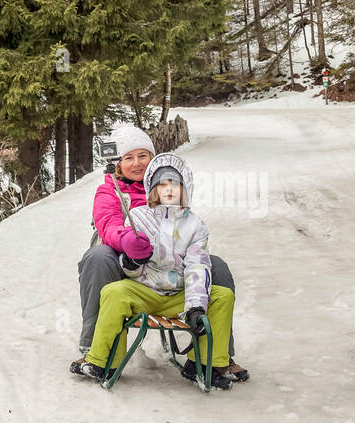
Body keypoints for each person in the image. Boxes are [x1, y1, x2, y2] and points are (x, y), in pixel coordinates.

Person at [72, 125, 249, 381]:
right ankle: (95, 349)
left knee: (215, 265)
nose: (136, 163)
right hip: (123, 259)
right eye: (128, 157)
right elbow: (108, 224)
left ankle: (216, 354)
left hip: (168, 265)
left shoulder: (165, 183)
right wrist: (127, 242)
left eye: (142, 155)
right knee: (98, 257)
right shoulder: (111, 191)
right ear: (118, 163)